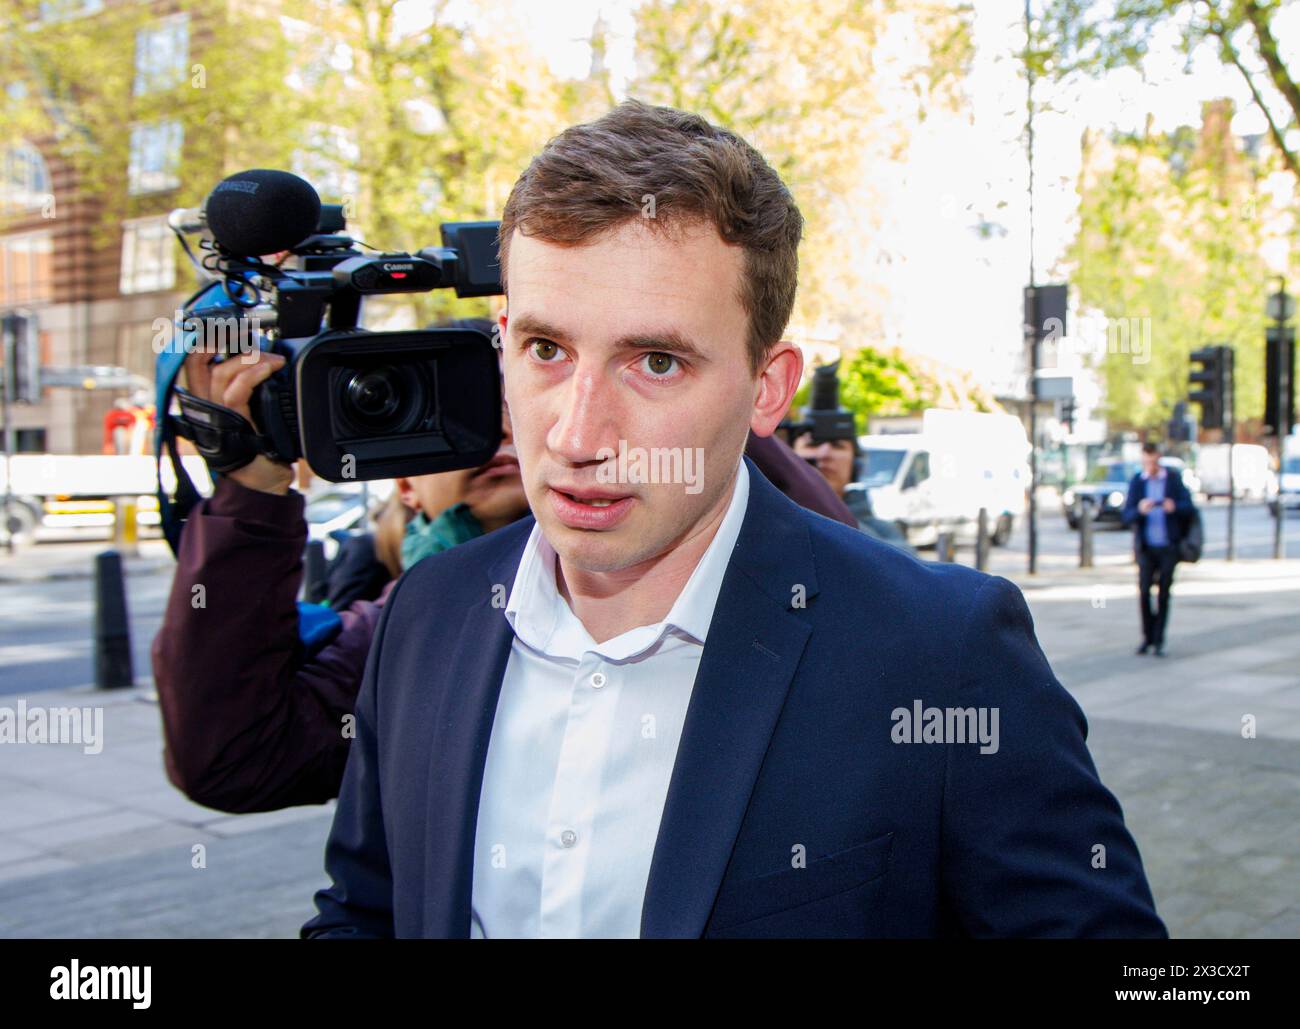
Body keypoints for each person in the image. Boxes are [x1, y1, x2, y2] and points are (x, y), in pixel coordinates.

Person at [302, 100, 1166, 938]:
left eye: (656, 361)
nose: (575, 432)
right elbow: (363, 909)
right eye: (546, 349)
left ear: (768, 386)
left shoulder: (939, 651)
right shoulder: (426, 614)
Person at [153, 330, 854, 814]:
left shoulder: (681, 569)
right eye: (453, 416)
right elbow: (233, 755)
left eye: (514, 404)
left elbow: (833, 573)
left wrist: (725, 395)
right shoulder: (411, 629)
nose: (496, 434)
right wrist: (252, 488)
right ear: (402, 487)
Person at [1121, 442, 1195, 658]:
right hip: (1146, 547)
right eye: (1146, 462)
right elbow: (1127, 515)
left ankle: (1159, 639)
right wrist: (1140, 510)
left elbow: (1189, 508)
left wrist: (1175, 507)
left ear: (1159, 458)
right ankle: (1147, 637)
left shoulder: (1172, 480)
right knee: (1144, 592)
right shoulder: (1138, 482)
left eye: (1153, 462)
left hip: (1168, 546)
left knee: (1164, 594)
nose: (1150, 466)